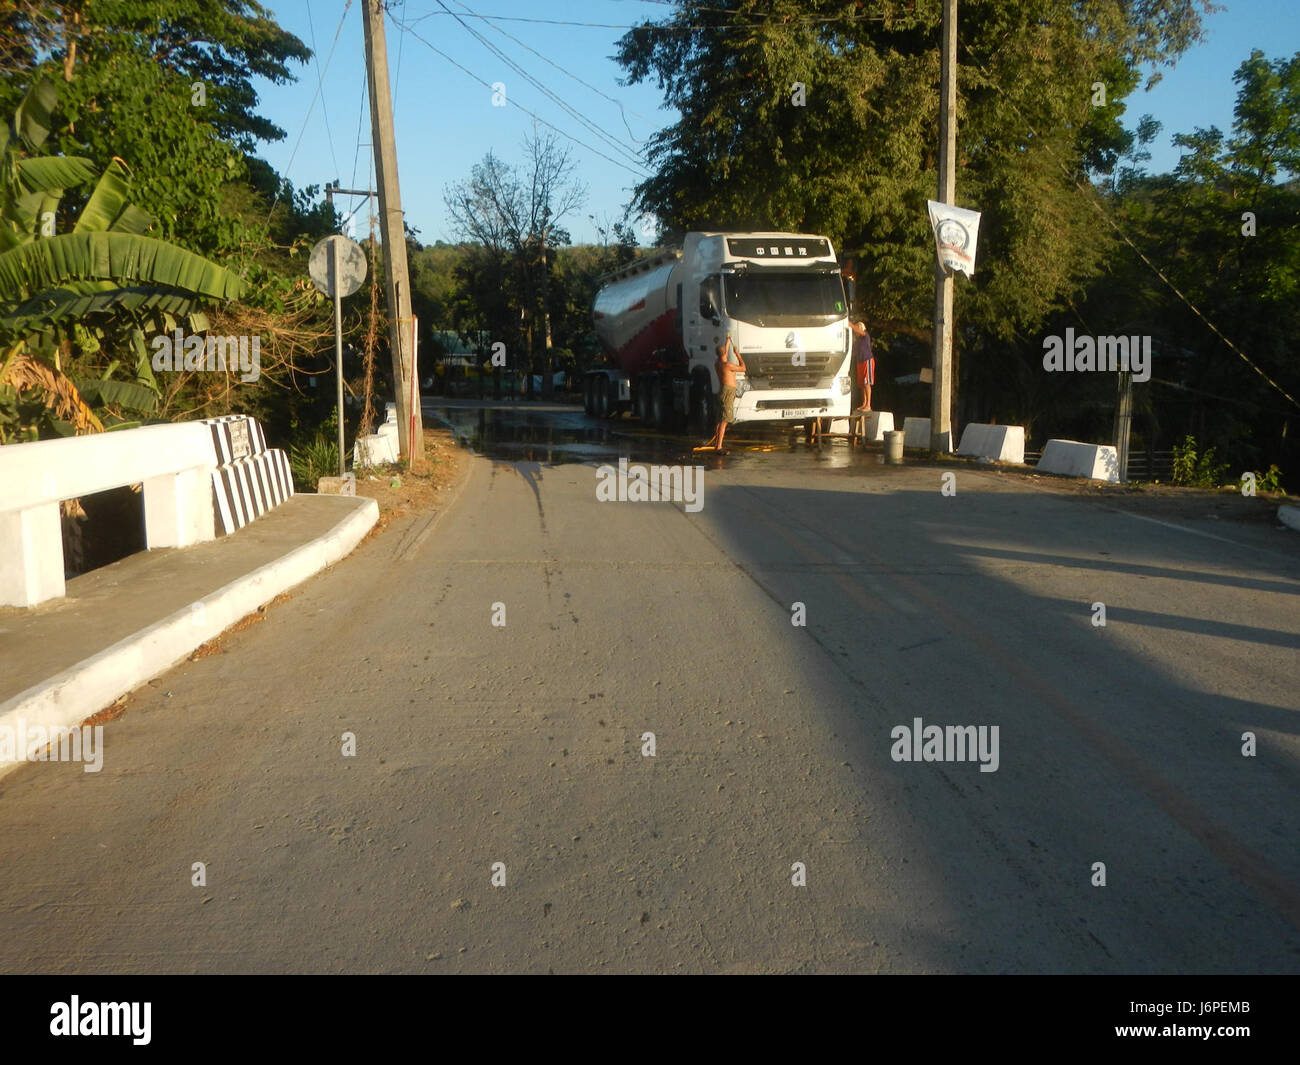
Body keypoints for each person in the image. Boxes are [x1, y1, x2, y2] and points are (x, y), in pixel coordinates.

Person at [702, 334, 746, 452]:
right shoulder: (728, 365)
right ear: (725, 354)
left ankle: (717, 443)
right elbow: (743, 368)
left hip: (722, 390)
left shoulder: (717, 363)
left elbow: (723, 352)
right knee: (724, 420)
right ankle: (719, 447)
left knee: (720, 417)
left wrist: (727, 340)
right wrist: (737, 354)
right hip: (728, 392)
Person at [850, 319, 875, 413]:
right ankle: (864, 403)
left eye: (857, 327)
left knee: (867, 382)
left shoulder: (865, 335)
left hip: (867, 360)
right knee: (862, 384)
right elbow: (853, 353)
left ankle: (868, 404)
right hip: (860, 362)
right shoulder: (858, 341)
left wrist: (850, 324)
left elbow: (858, 330)